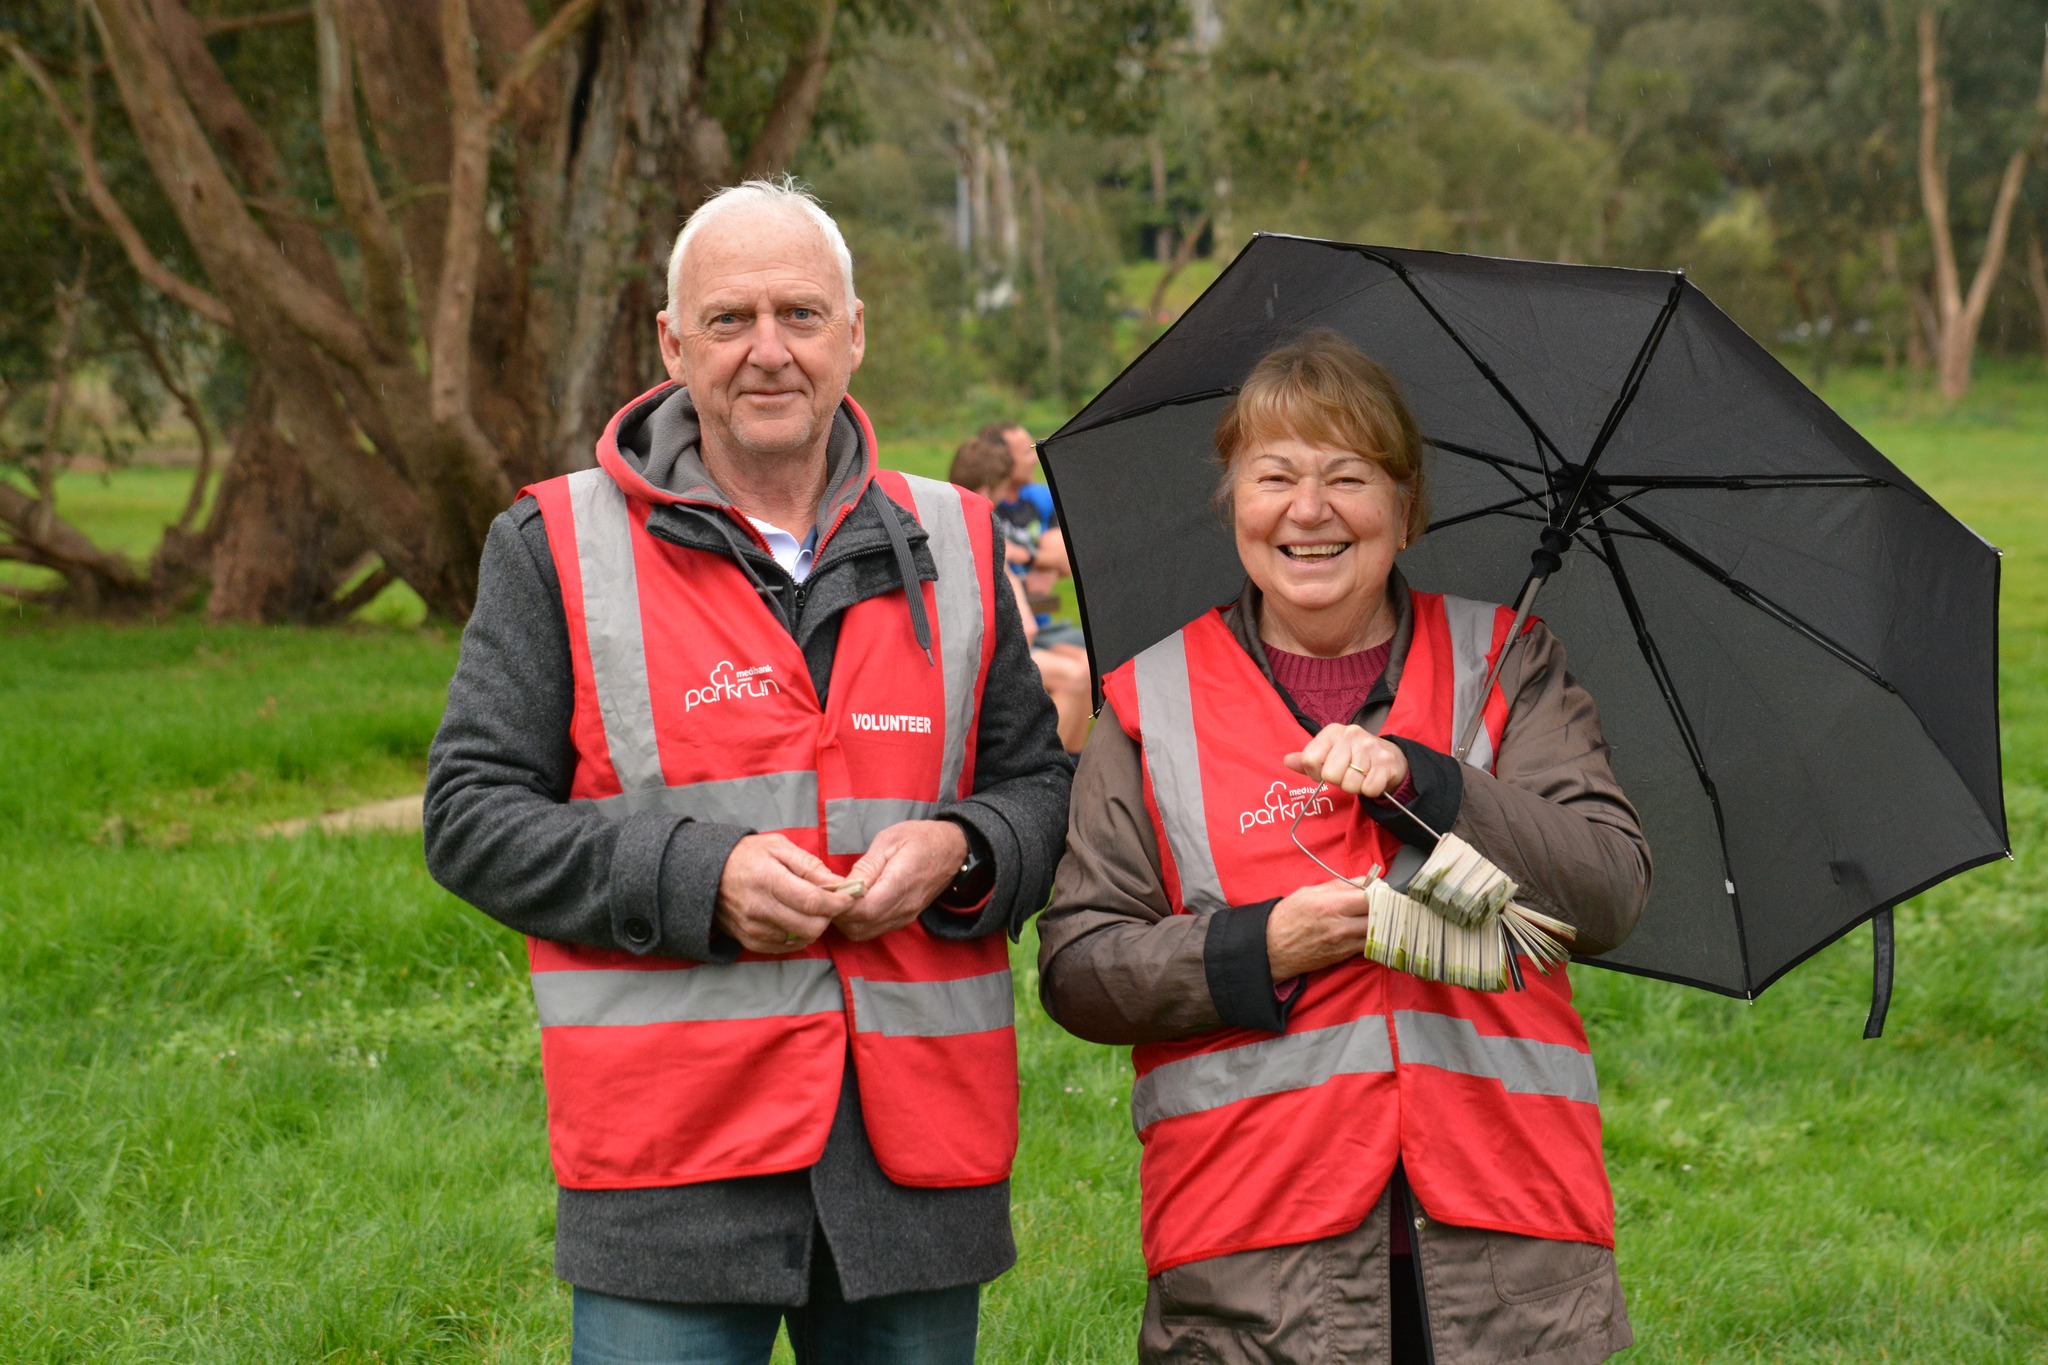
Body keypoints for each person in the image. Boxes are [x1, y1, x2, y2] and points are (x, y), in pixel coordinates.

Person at [424, 178, 1072, 1365]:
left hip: (915, 1157)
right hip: (668, 1163)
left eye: (800, 315)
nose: (768, 351)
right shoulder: (555, 544)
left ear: (852, 334)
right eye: (729, 320)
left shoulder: (958, 540)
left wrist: (963, 849)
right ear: (673, 344)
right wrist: (698, 877)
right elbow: (469, 819)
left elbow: (1042, 789)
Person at [1036, 330, 1649, 1364]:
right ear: (1232, 502)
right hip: (1252, 1256)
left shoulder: (1508, 663)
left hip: (1511, 1247)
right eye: (1273, 476)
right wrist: (1261, 946)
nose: (1308, 509)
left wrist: (1432, 783)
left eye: (1348, 477)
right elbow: (1080, 970)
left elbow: (1609, 891)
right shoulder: (1150, 702)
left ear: (1405, 510)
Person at [948, 436, 1093, 753]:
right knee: (1075, 678)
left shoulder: (960, 523)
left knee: (1085, 669)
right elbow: (1024, 627)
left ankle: (1068, 768)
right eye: (1001, 491)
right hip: (980, 654)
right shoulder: (974, 530)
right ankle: (1050, 768)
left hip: (997, 642)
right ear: (986, 492)